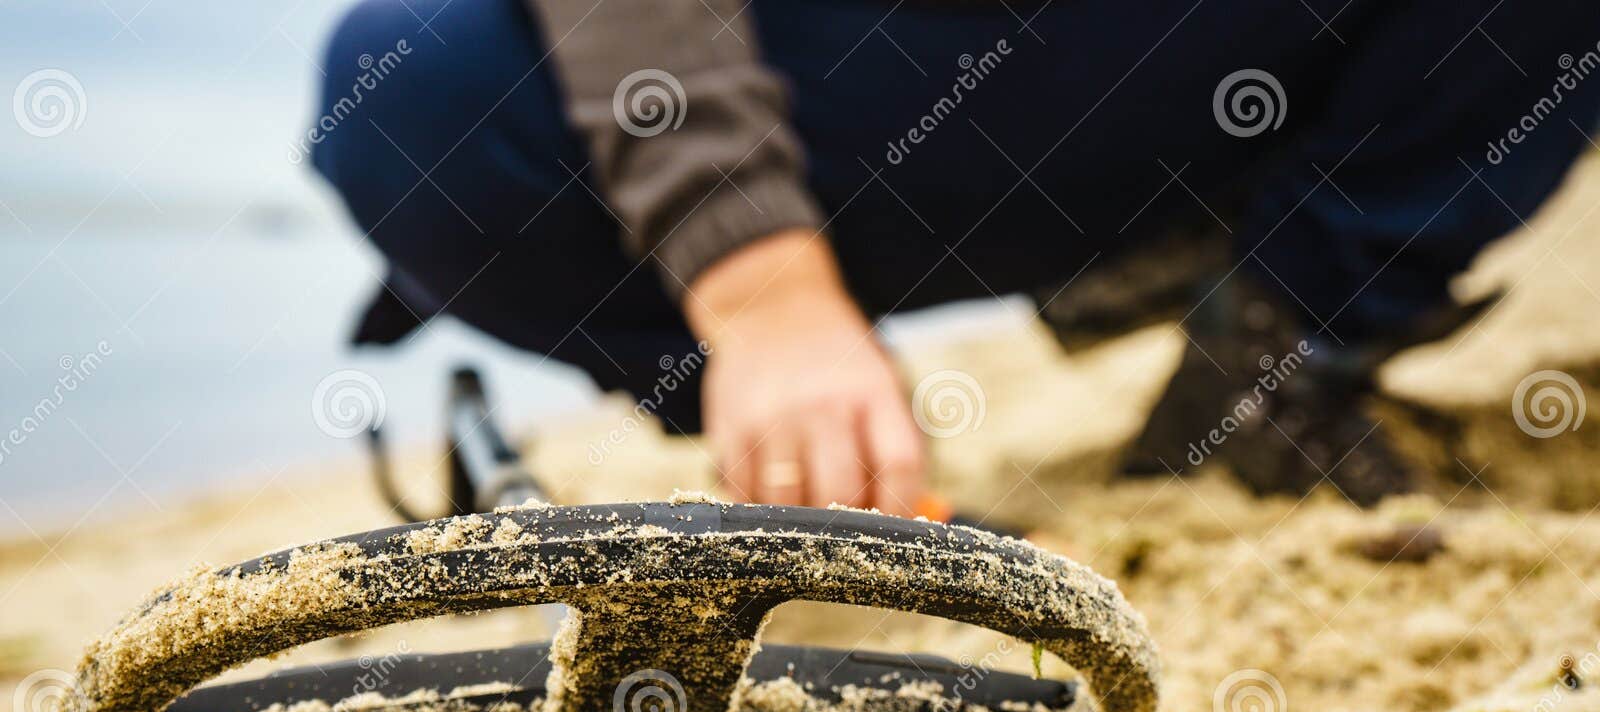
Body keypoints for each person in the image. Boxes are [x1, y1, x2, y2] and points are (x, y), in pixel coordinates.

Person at [312, 0, 1600, 511]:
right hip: (857, 68)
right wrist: (760, 288)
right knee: (405, 91)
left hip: (1220, 56)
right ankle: (810, 443)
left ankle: (1289, 338)